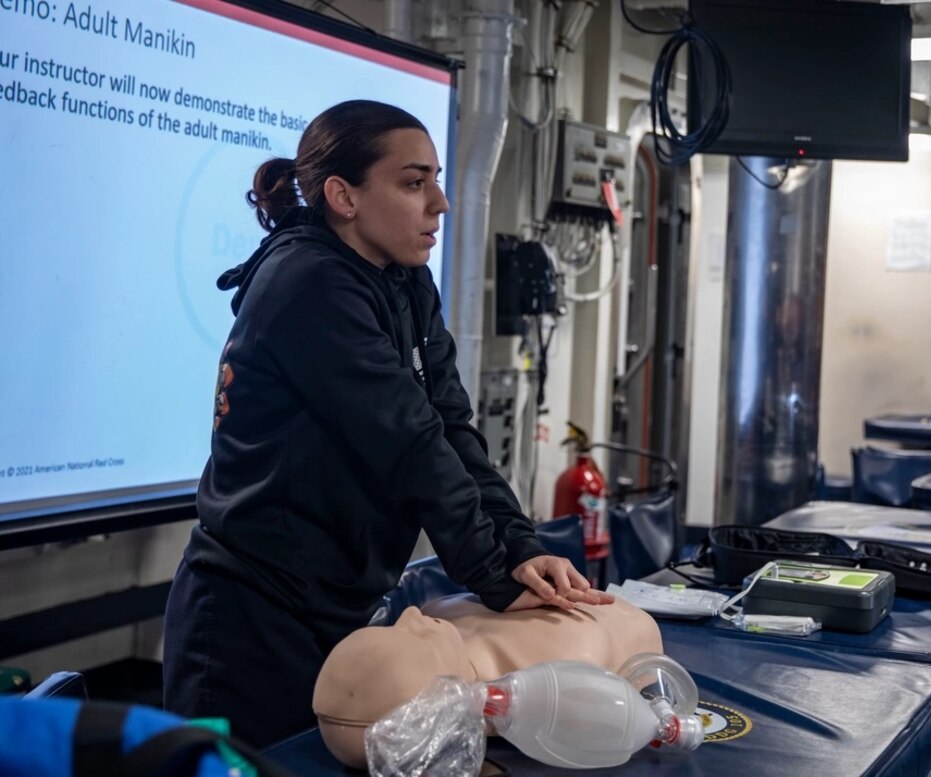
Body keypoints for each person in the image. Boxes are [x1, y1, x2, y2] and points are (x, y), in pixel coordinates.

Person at [163, 100, 612, 748]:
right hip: (251, 626)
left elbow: (452, 426)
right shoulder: (306, 284)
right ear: (343, 195)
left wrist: (521, 549)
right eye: (413, 182)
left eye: (436, 178)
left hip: (337, 611)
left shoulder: (406, 281)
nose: (441, 203)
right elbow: (409, 441)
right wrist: (491, 571)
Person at [313, 594, 665, 768]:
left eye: (396, 628)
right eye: (414, 637)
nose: (411, 616)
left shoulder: (438, 612)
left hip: (623, 620)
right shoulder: (564, 668)